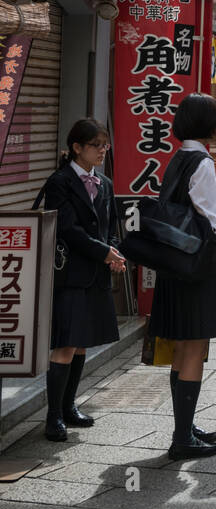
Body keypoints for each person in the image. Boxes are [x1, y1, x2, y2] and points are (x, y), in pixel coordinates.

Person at [147, 94, 216, 460]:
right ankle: (182, 437)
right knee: (194, 345)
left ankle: (184, 427)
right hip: (194, 267)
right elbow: (212, 221)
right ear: (207, 122)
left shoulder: (178, 159)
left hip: (175, 265)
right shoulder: (201, 162)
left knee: (184, 346)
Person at [41, 119, 126, 443]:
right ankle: (53, 417)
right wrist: (105, 252)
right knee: (65, 343)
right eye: (96, 145)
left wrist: (113, 251)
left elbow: (110, 226)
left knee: (81, 344)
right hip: (71, 274)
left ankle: (68, 407)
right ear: (77, 148)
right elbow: (67, 229)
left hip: (96, 273)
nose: (103, 151)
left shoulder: (103, 182)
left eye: (105, 145)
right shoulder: (60, 181)